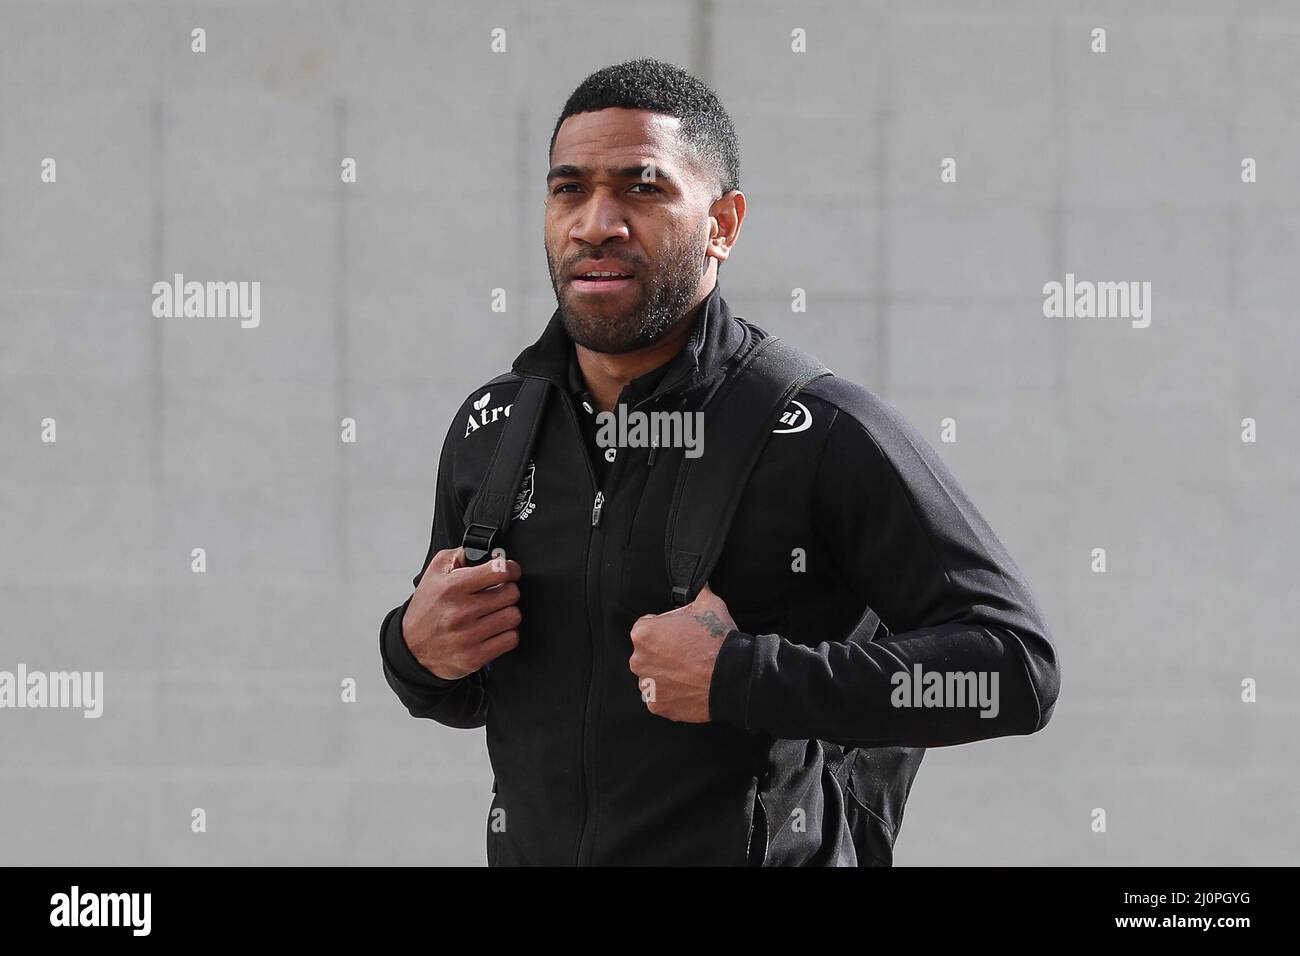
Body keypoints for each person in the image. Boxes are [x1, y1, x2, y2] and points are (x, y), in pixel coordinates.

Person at [379, 57, 1060, 866]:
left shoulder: (818, 429)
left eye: (643, 187)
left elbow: (1013, 670)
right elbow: (471, 687)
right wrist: (413, 654)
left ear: (723, 225)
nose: (597, 221)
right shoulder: (493, 428)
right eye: (570, 189)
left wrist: (742, 678)